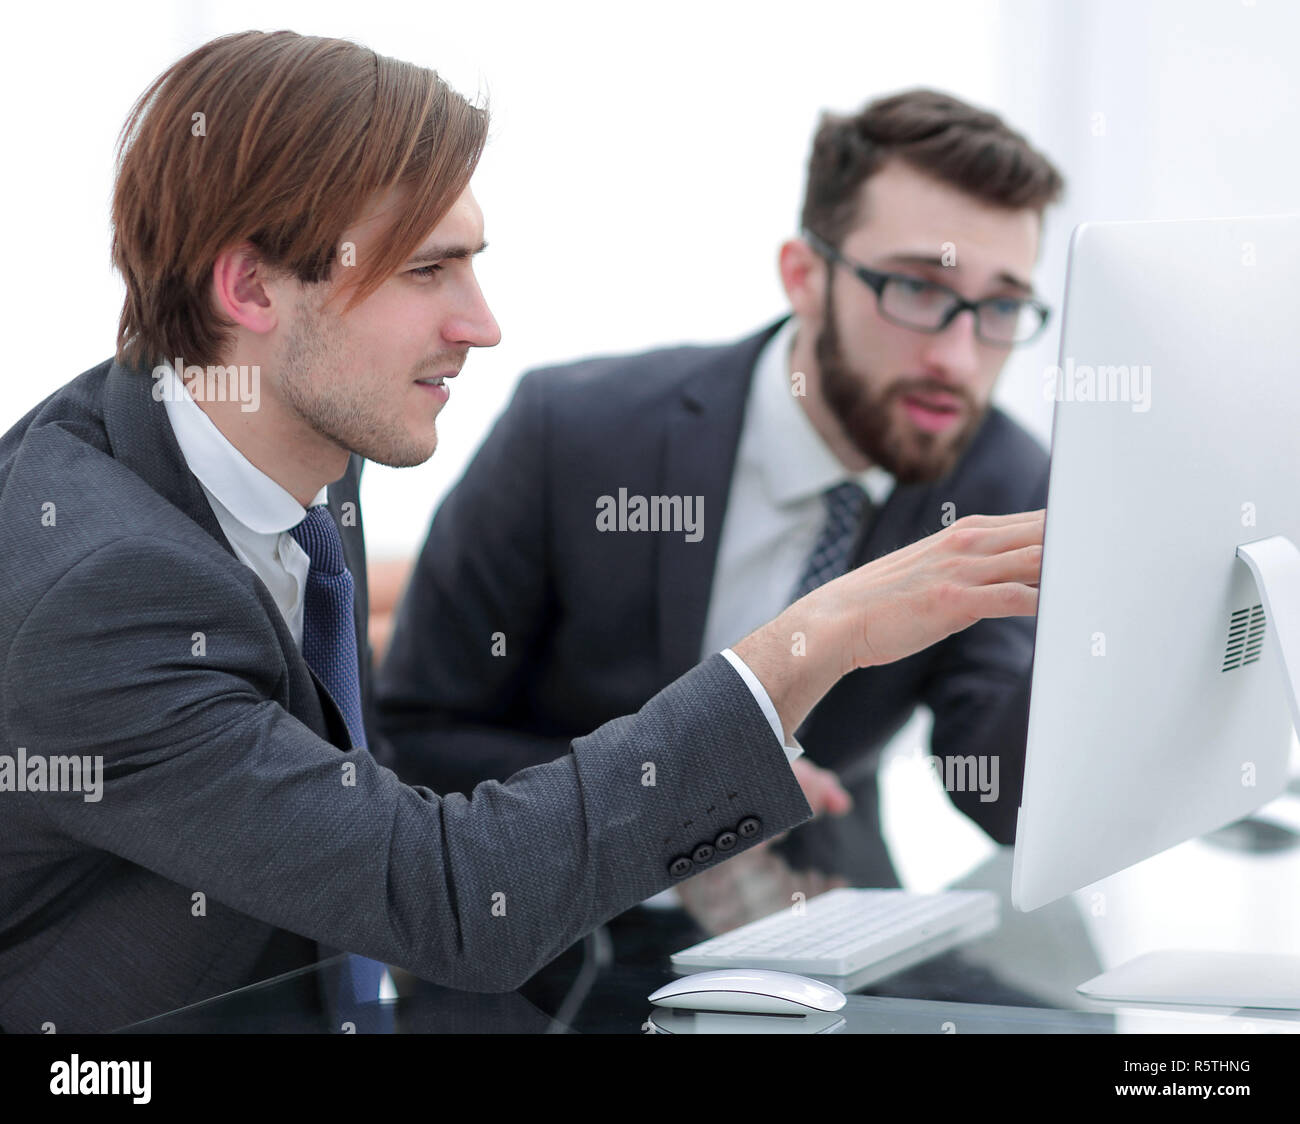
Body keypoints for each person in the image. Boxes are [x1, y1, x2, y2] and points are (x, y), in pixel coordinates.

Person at [0, 33, 1042, 1033]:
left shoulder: (297, 432)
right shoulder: (106, 586)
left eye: (473, 262)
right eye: (425, 270)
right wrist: (807, 643)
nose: (481, 322)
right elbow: (451, 896)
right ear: (252, 287)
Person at [375, 88, 1063, 918]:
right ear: (804, 277)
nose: (959, 358)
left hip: (813, 909)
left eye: (999, 308)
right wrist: (684, 805)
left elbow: (999, 795)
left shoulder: (1000, 479)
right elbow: (414, 741)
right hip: (553, 939)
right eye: (917, 290)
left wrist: (1117, 632)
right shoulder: (575, 434)